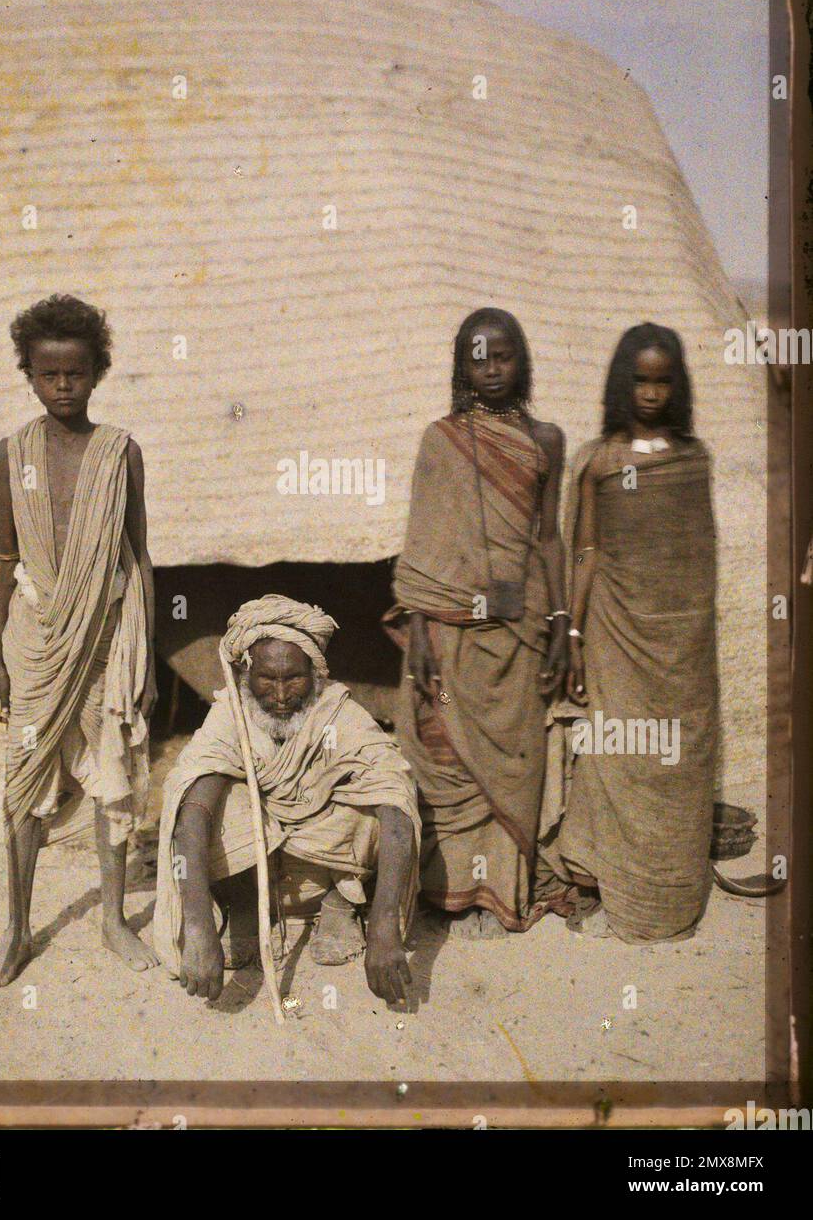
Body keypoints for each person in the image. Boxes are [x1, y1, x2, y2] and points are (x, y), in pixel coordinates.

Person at [0, 294, 158, 983]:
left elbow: (139, 558)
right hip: (33, 642)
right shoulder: (12, 453)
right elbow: (5, 557)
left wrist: (145, 661)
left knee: (113, 778)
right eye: (49, 374)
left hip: (104, 641)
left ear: (97, 373)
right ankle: (17, 929)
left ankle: (114, 921)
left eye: (76, 374)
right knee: (25, 782)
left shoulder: (120, 453)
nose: (63, 387)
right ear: (28, 374)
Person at [384, 308, 574, 937]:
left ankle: (500, 893)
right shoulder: (441, 439)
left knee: (514, 758)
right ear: (461, 367)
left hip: (519, 626)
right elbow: (424, 539)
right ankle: (449, 891)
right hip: (447, 625)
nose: (492, 369)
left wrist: (563, 623)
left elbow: (549, 536)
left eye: (503, 356)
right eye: (478, 357)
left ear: (523, 362)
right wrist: (417, 628)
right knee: (444, 750)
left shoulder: (547, 439)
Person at [153, 595, 420, 1005]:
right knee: (203, 796)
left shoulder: (338, 713)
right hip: (256, 866)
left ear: (316, 672)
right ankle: (244, 904)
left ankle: (340, 903)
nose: (280, 694)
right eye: (266, 679)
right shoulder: (232, 713)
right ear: (246, 673)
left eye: (293, 678)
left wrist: (385, 926)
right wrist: (198, 923)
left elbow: (397, 802)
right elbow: (190, 810)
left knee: (386, 797)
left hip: (325, 865)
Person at [557, 323, 719, 942]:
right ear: (620, 385)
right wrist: (573, 634)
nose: (651, 394)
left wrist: (686, 631)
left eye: (662, 382)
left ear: (678, 387)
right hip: (616, 634)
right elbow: (587, 550)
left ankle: (665, 901)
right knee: (615, 757)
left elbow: (699, 559)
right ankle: (605, 884)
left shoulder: (691, 461)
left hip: (681, 647)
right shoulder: (600, 461)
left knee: (675, 765)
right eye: (640, 381)